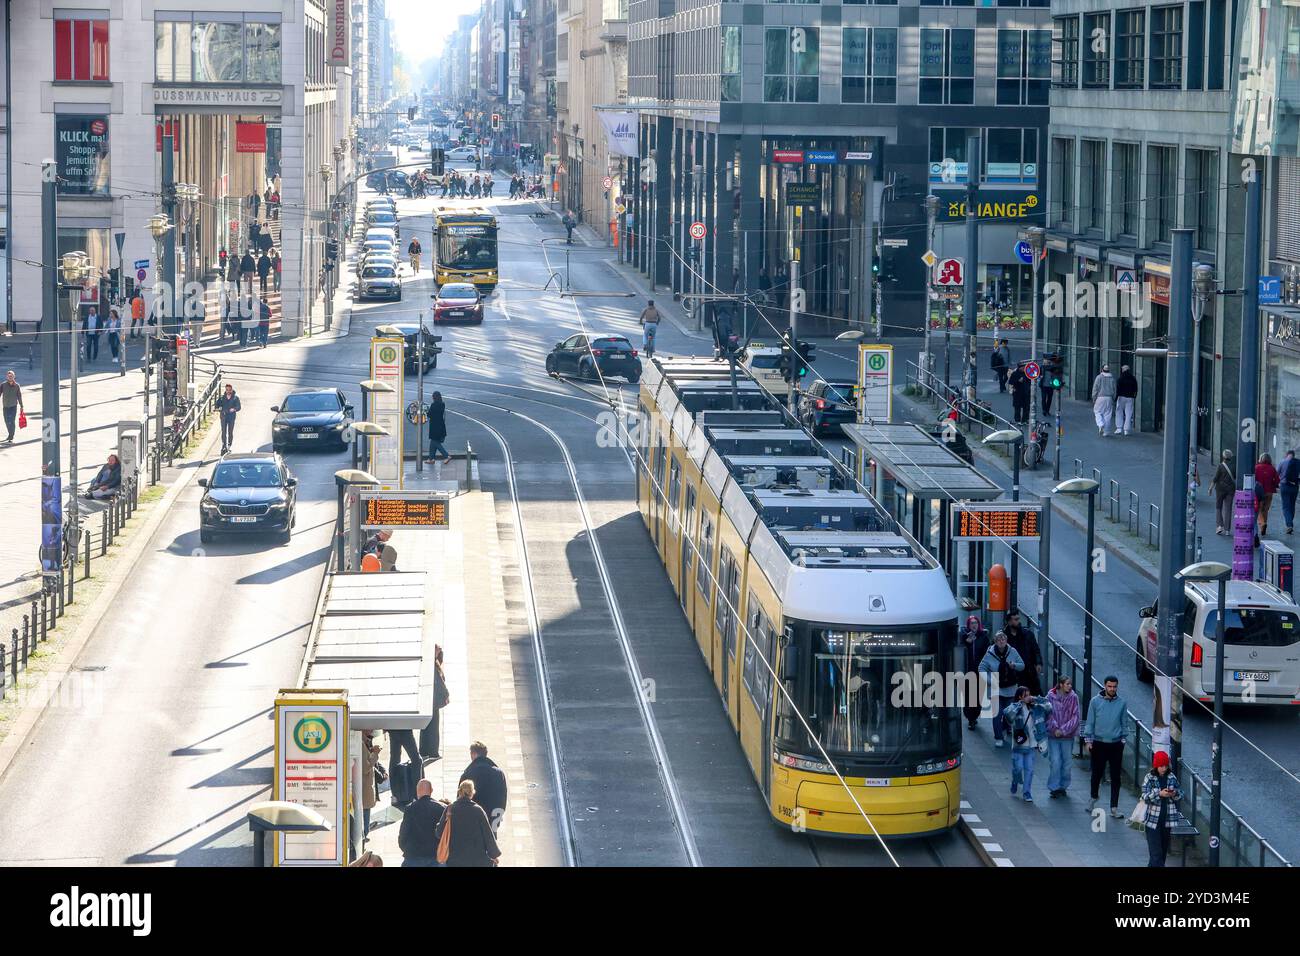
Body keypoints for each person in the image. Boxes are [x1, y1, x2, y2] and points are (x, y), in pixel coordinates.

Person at [1083, 675, 1128, 818]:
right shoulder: (1095, 702)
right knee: (1096, 773)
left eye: (1114, 686)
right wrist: (1088, 740)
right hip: (1099, 743)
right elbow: (1090, 721)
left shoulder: (1122, 703)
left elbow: (1124, 722)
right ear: (1104, 686)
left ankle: (1114, 808)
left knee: (1116, 777)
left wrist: (1123, 740)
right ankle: (1093, 797)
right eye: (1109, 686)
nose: (1112, 689)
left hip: (1115, 744)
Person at [435, 779, 501, 867]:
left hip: (455, 860)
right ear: (472, 793)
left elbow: (439, 833)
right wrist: (494, 854)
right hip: (476, 860)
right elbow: (487, 834)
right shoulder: (478, 810)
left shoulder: (450, 809)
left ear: (459, 791)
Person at [1001, 686, 1051, 802]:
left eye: (1029, 694)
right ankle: (1015, 780)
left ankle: (1027, 792)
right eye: (1026, 695)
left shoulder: (1036, 707)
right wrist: (1019, 704)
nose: (1029, 697)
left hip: (1032, 744)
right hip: (1019, 744)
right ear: (1020, 697)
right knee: (1017, 768)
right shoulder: (1015, 708)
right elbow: (1008, 715)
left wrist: (1037, 699)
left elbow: (1049, 707)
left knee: (1029, 769)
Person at [978, 632, 1024, 747]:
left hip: (1010, 688)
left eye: (1003, 639)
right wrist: (990, 680)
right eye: (998, 639)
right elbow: (981, 668)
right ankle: (998, 737)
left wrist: (1014, 665)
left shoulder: (1012, 651)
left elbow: (1022, 665)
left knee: (1009, 713)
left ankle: (1006, 727)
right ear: (995, 641)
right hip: (996, 688)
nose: (1001, 641)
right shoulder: (990, 653)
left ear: (1006, 640)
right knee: (997, 714)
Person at [1141, 751, 1183, 867]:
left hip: (1167, 821)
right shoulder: (1149, 778)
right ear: (1156, 766)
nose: (1164, 768)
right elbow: (1144, 796)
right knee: (1156, 854)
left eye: (1165, 766)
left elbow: (1180, 794)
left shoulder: (1171, 777)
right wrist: (1159, 794)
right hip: (1152, 822)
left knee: (1162, 853)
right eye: (1161, 766)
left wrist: (1174, 793)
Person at [460, 741, 509, 833]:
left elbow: (461, 798)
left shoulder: (468, 773)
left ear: (473, 754)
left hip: (472, 820)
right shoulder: (498, 773)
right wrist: (497, 820)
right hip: (493, 819)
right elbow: (503, 798)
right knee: (491, 845)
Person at [1045, 675, 1080, 798]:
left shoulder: (1073, 698)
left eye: (1070, 684)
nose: (1070, 686)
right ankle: (1054, 787)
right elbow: (1047, 713)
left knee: (1067, 763)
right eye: (1067, 684)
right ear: (1060, 684)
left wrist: (1063, 730)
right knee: (1055, 760)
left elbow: (1075, 717)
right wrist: (1055, 728)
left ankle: (1063, 786)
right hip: (1053, 735)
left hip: (1067, 736)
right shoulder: (1050, 696)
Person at [397, 779, 448, 867]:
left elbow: (403, 833)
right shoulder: (442, 808)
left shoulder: (410, 809)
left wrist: (406, 849)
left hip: (414, 855)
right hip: (435, 855)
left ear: (417, 791)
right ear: (431, 790)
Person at [959, 615, 990, 730]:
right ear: (968, 625)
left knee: (979, 695)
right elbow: (959, 648)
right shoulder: (963, 636)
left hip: (980, 671)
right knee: (968, 695)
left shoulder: (983, 637)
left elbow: (987, 653)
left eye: (976, 623)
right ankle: (970, 718)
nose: (974, 625)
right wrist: (967, 642)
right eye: (971, 623)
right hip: (967, 671)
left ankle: (975, 715)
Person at [419, 645, 450, 761]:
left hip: (429, 700)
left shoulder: (430, 663)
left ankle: (424, 750)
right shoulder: (433, 666)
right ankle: (432, 751)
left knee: (426, 726)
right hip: (433, 701)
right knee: (433, 727)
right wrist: (446, 694)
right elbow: (440, 683)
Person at [1003, 611, 1042, 695]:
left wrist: (1038, 663)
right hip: (1012, 672)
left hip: (1028, 671)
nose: (1018, 622)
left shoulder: (1027, 634)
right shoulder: (1003, 636)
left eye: (1018, 619)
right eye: (1015, 619)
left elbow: (1035, 650)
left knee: (1033, 695)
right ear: (1009, 622)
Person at [386, 727, 421, 798]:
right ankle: (418, 791)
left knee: (394, 758)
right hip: (404, 727)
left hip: (393, 726)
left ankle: (395, 793)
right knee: (417, 760)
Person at [361, 729, 381, 839]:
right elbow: (366, 767)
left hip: (365, 788)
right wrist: (375, 754)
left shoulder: (365, 742)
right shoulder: (361, 744)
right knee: (365, 814)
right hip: (364, 789)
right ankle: (364, 834)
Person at [1255, 452, 1280, 535]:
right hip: (1269, 492)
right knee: (1265, 509)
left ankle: (1262, 524)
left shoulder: (1256, 468)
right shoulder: (1272, 468)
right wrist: (1274, 485)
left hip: (1259, 492)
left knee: (1259, 509)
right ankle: (1264, 524)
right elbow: (1277, 480)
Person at [1212, 450, 1236, 535]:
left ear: (1223, 457)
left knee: (1219, 507)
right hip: (1230, 489)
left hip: (1220, 489)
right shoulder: (1234, 466)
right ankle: (1227, 530)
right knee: (1228, 509)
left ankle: (1219, 526)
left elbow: (1215, 478)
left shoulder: (1220, 466)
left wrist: (1210, 488)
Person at [1091, 364, 1117, 437]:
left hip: (1100, 397)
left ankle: (1100, 424)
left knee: (1097, 411)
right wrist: (1113, 398)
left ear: (1102, 369)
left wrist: (1094, 398)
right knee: (1107, 415)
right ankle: (1106, 432)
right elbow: (1115, 390)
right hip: (1109, 398)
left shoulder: (1099, 377)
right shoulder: (1112, 378)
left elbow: (1095, 389)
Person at [425, 391, 450, 463]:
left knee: (435, 442)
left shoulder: (433, 405)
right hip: (441, 426)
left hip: (434, 427)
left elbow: (429, 414)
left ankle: (446, 456)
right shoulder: (442, 404)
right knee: (433, 442)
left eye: (433, 396)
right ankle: (431, 459)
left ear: (434, 397)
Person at [216, 383, 241, 454]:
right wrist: (219, 407)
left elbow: (239, 407)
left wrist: (234, 409)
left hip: (231, 417)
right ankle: (224, 445)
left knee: (230, 432)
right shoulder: (222, 398)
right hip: (223, 416)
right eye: (227, 390)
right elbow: (217, 404)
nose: (228, 391)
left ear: (231, 390)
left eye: (229, 390)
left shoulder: (235, 398)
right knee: (223, 432)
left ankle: (229, 445)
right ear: (225, 390)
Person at [1280, 450, 1300, 534]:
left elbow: (1277, 472)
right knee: (1292, 505)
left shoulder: (1283, 462)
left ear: (1287, 454)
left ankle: (1289, 525)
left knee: (1286, 506)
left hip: (1285, 486)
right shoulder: (1297, 462)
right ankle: (1290, 522)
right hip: (1295, 486)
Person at [1115, 364, 1138, 436]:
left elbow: (1118, 388)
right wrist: (1134, 396)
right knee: (1128, 414)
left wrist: (1116, 397)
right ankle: (1126, 430)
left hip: (1121, 397)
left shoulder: (1120, 378)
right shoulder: (1133, 378)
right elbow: (1136, 388)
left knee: (1119, 412)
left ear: (1123, 370)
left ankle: (1119, 428)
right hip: (1130, 397)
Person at [2, 370, 24, 443]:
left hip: (13, 406)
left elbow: (19, 396)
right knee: (6, 421)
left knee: (11, 421)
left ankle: (11, 435)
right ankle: (10, 433)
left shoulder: (17, 385)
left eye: (11, 376)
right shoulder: (3, 385)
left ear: (14, 377)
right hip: (5, 406)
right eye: (9, 376)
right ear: (6, 377)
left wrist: (21, 405)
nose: (10, 377)